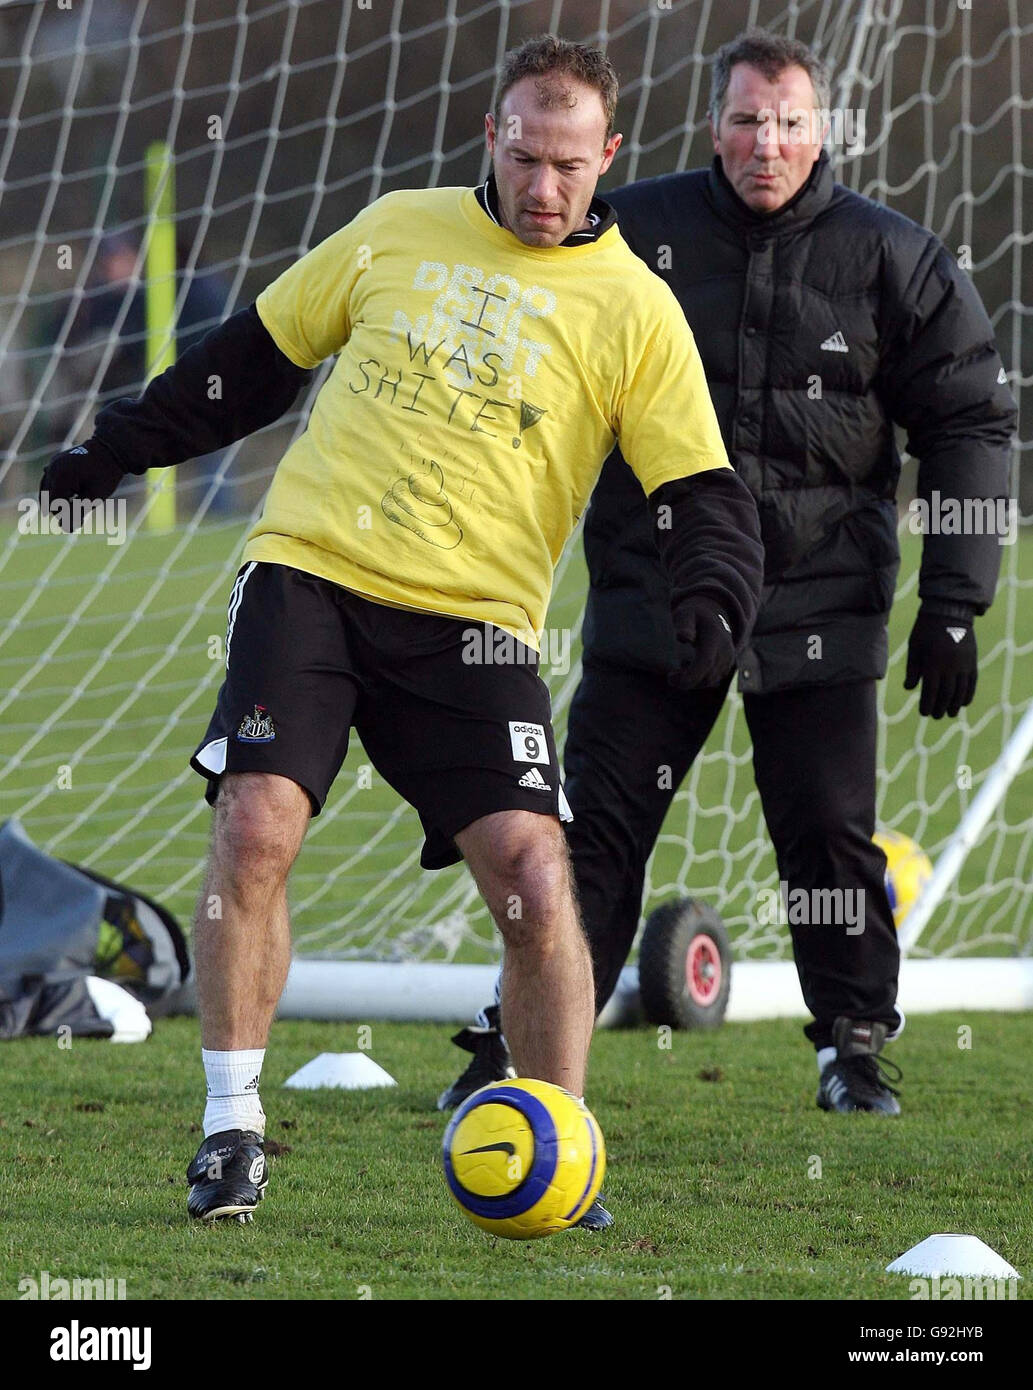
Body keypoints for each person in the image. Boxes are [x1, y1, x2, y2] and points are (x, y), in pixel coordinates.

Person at [40, 34, 764, 1226]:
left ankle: (564, 1151)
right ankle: (230, 1132)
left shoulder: (635, 308)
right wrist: (112, 449)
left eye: (569, 167)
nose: (543, 188)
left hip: (475, 626)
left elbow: (699, 490)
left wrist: (711, 596)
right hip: (312, 576)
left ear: (610, 159)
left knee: (537, 877)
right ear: (491, 134)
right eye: (525, 156)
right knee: (256, 822)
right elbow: (246, 368)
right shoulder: (394, 226)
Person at [440, 29, 1016, 1121]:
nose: (768, 143)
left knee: (828, 840)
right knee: (591, 831)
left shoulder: (892, 257)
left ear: (823, 131)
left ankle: (850, 1049)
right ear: (714, 126)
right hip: (655, 596)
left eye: (789, 122)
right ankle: (517, 1050)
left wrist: (953, 601)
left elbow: (970, 422)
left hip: (821, 600)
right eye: (748, 120)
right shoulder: (628, 231)